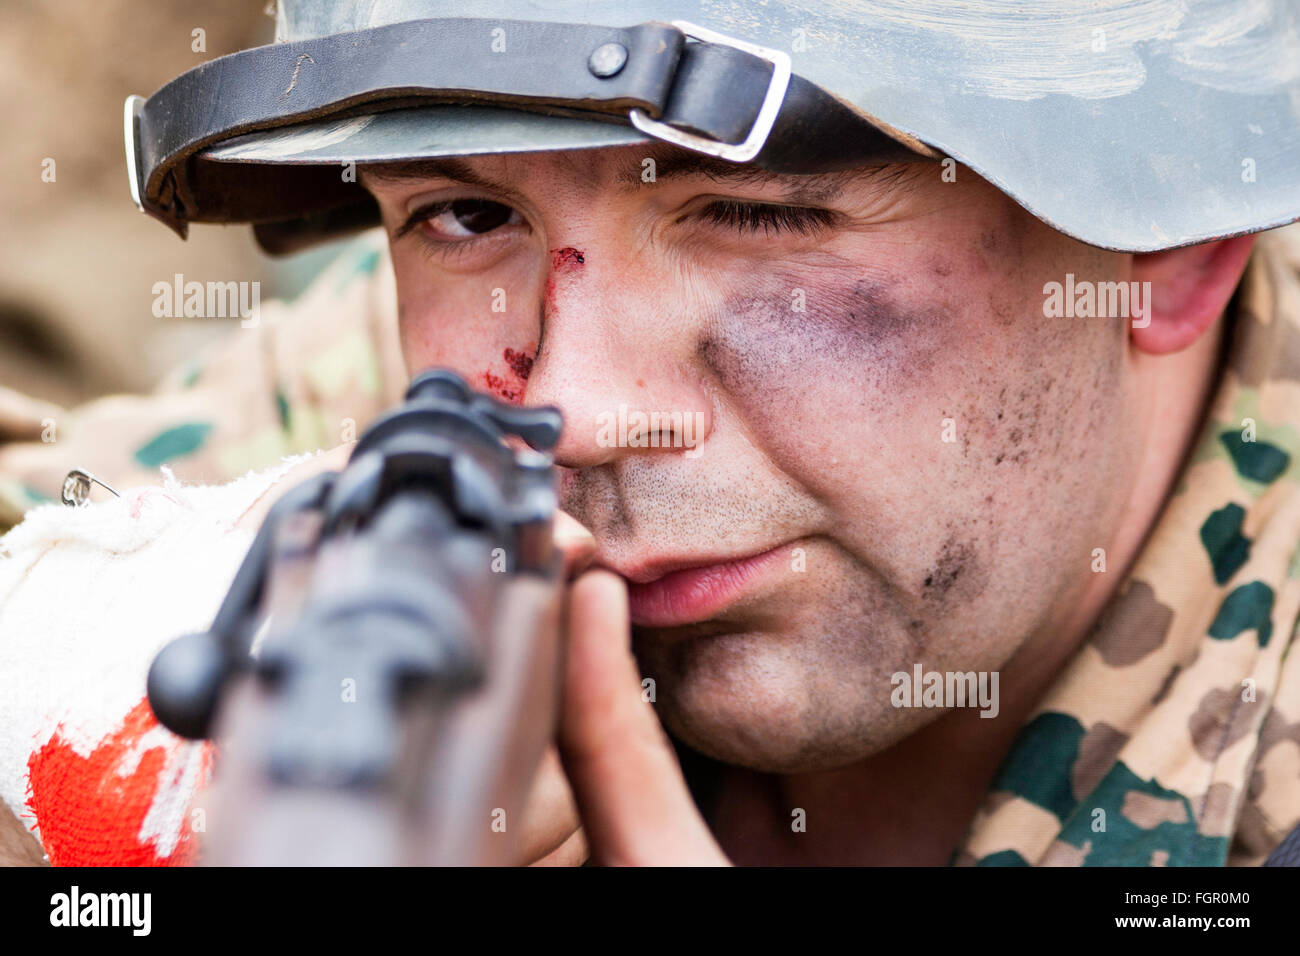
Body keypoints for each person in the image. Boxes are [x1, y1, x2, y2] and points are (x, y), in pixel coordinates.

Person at [1, 0, 1299, 866]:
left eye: (757, 216)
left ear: (1165, 248)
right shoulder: (381, 421)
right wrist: (95, 772)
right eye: (461, 215)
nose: (587, 412)